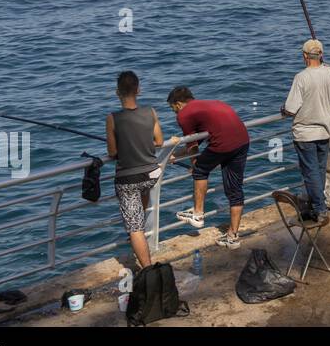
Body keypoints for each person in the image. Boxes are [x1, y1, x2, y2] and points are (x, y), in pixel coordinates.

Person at [167, 86, 250, 248]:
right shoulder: (208, 105)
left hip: (224, 143)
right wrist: (175, 155)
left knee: (200, 171)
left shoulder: (184, 115)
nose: (175, 114)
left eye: (173, 109)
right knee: (235, 189)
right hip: (242, 140)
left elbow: (192, 146)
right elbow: (199, 139)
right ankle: (232, 236)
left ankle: (198, 214)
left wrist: (195, 165)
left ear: (178, 104)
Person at [105, 71, 164, 269]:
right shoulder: (151, 112)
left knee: (134, 227)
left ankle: (148, 270)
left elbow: (112, 152)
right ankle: (141, 235)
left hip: (128, 179)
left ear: (117, 92)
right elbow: (159, 141)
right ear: (138, 90)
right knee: (139, 210)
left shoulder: (112, 118)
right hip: (151, 175)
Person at [282, 39, 330, 224]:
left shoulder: (301, 77)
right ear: (321, 54)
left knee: (310, 172)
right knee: (319, 171)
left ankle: (320, 209)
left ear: (305, 56)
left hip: (305, 134)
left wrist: (283, 109)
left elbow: (291, 108)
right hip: (324, 131)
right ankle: (316, 206)